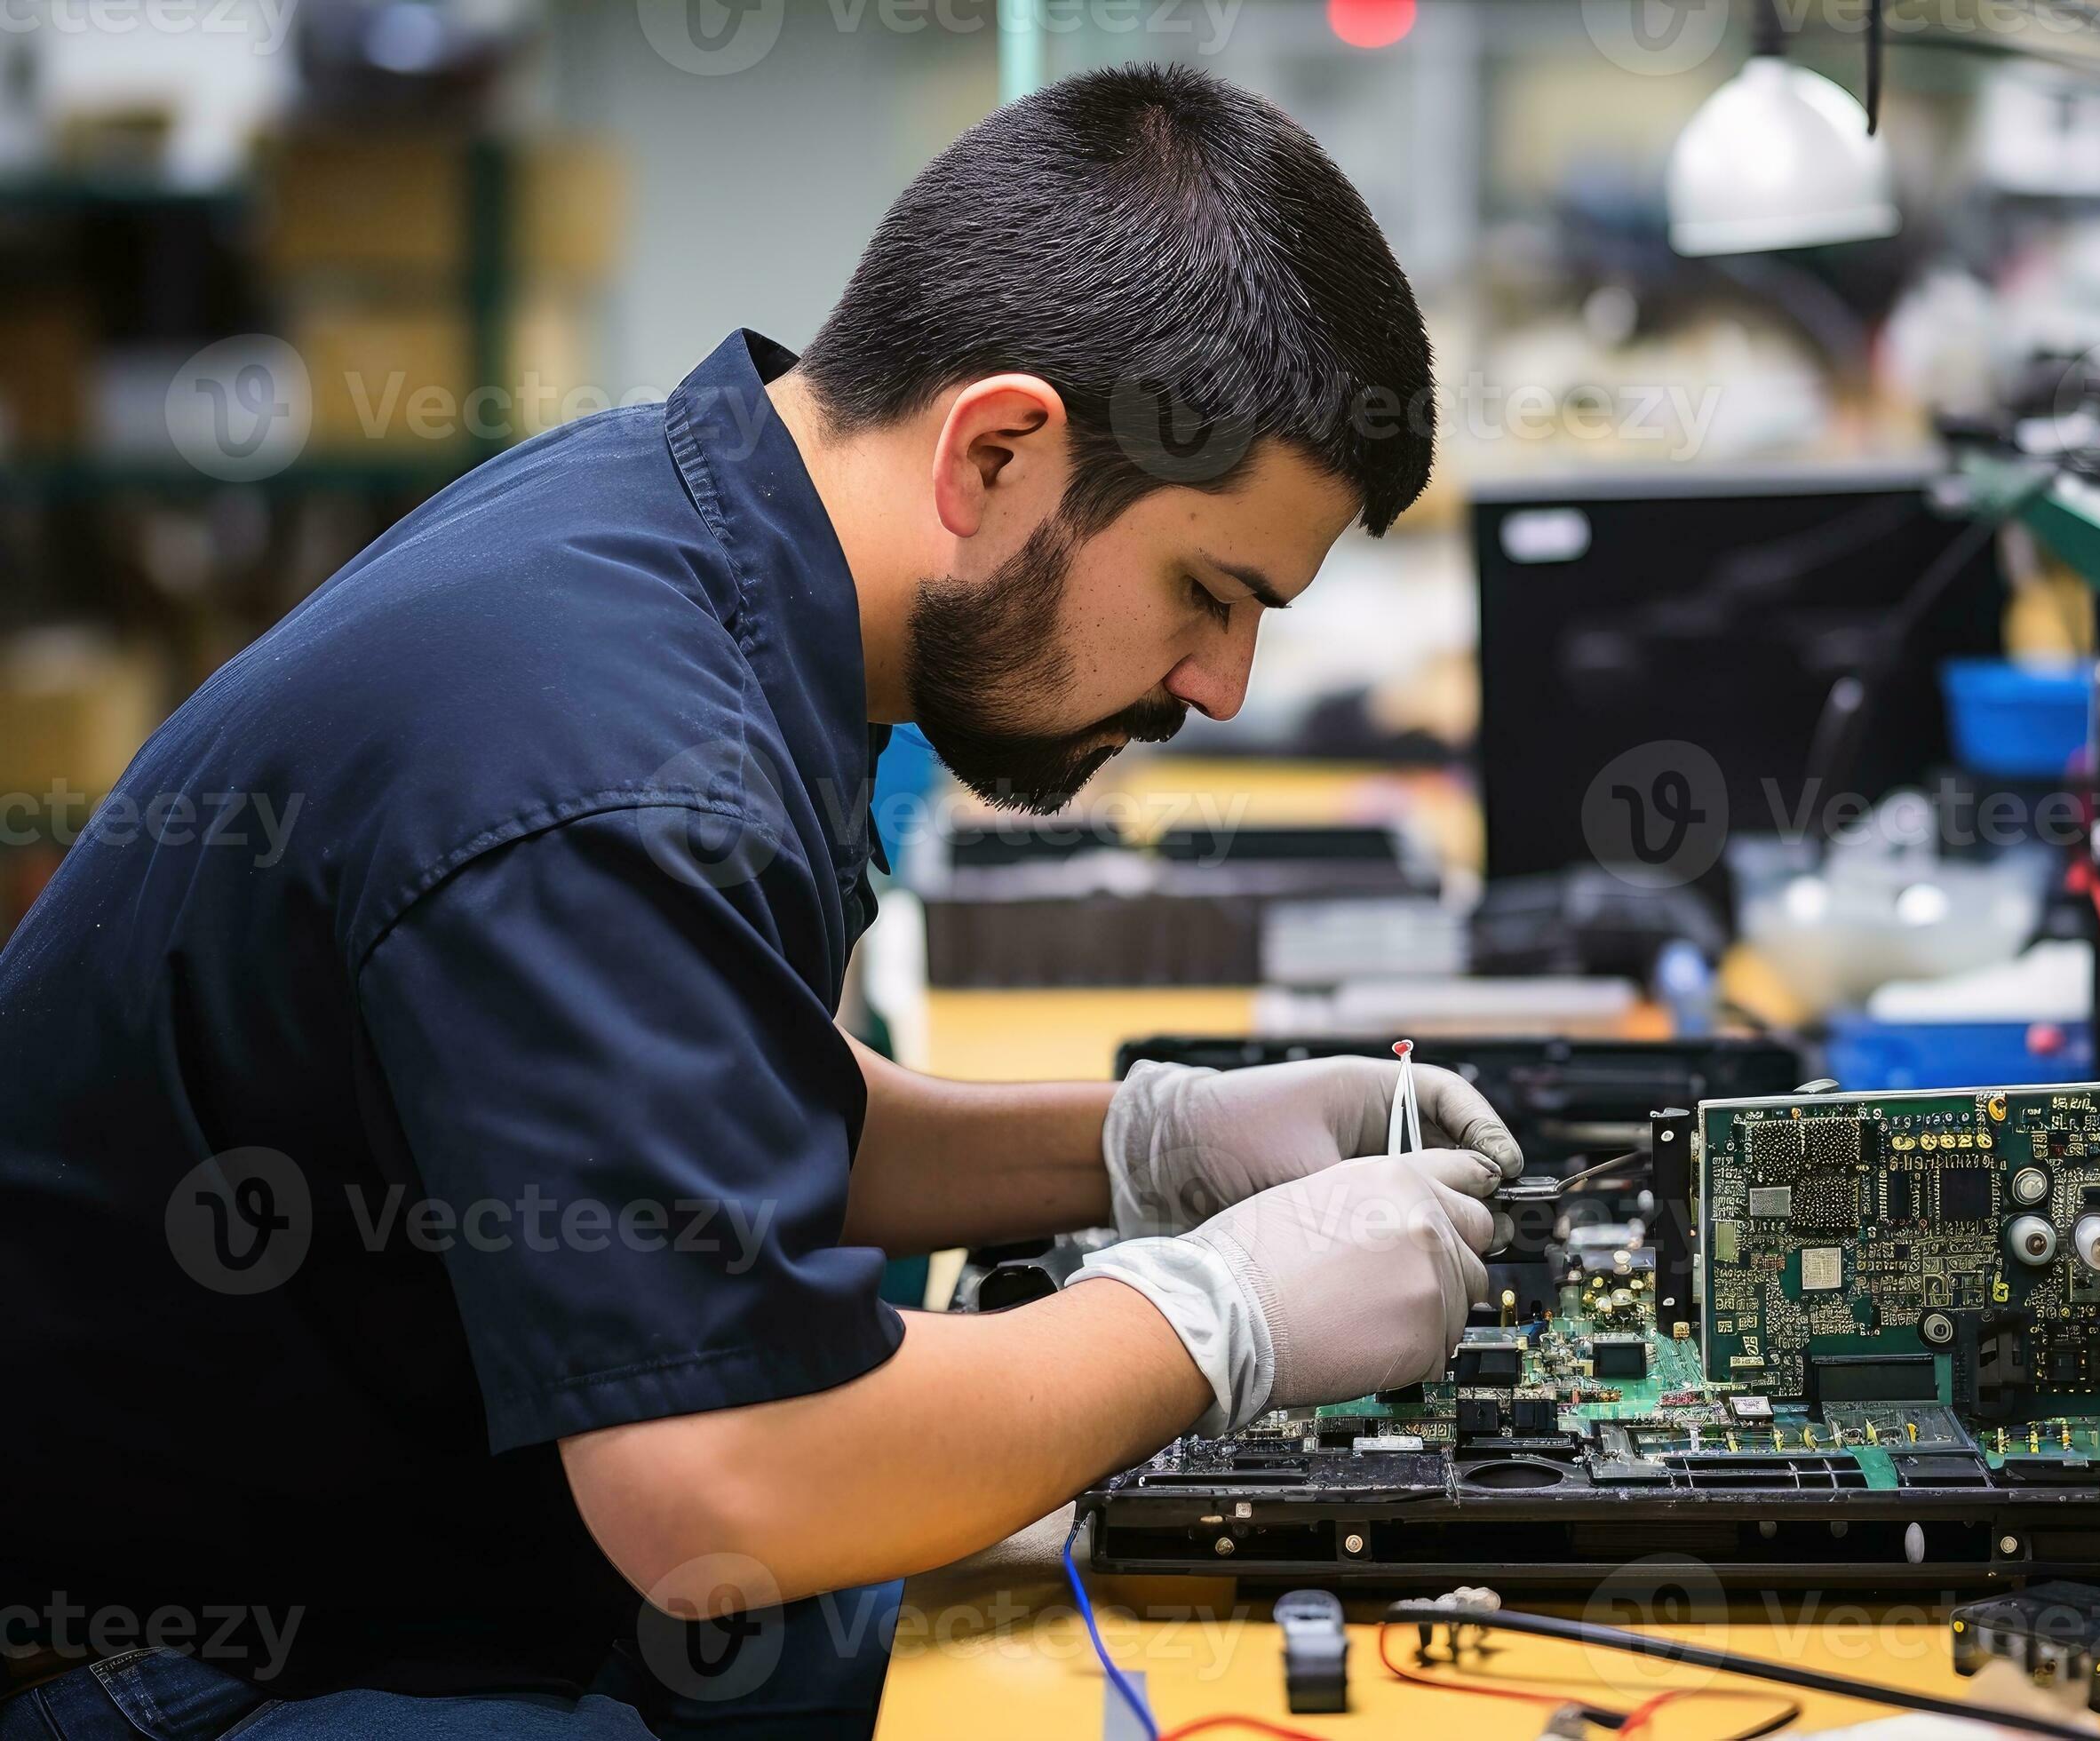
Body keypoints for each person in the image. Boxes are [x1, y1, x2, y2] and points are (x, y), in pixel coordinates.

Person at [0, 65, 1517, 1738]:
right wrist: (1209, 1319)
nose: (1225, 684)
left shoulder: (692, 541)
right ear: (1000, 448)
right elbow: (723, 1496)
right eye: (1207, 592)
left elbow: (712, 1124)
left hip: (414, 1536)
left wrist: (1143, 1141)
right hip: (177, 1675)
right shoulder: (609, 761)